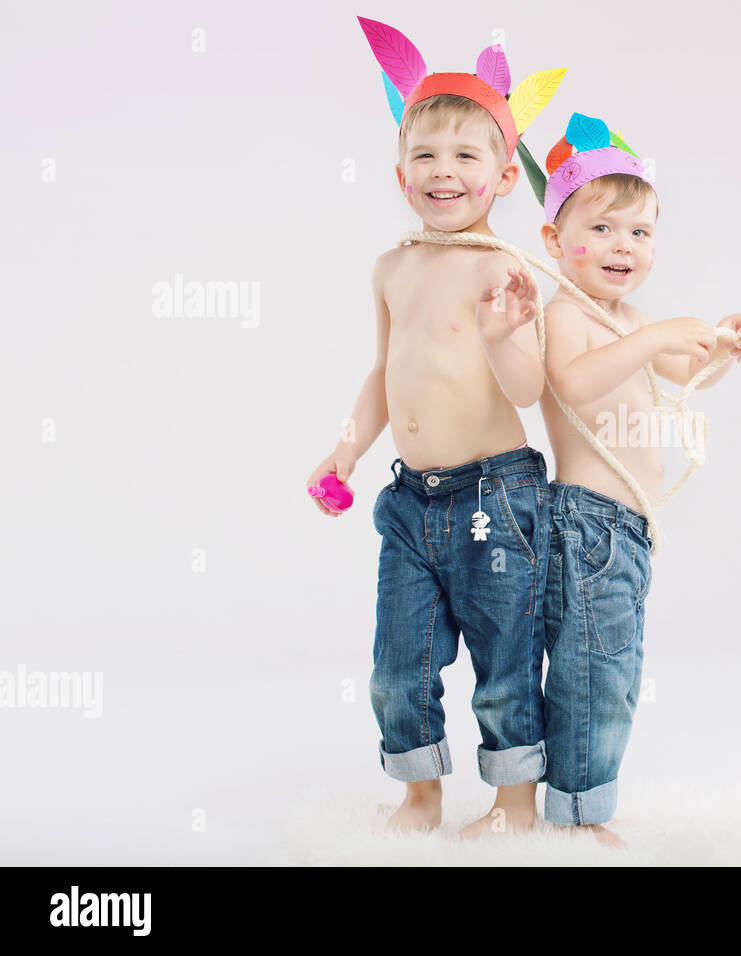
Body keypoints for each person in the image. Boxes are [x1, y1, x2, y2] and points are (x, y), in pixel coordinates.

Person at [308, 18, 565, 835]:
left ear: (500, 179)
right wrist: (347, 449)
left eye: (465, 157)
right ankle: (419, 793)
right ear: (399, 172)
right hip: (411, 502)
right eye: (426, 155)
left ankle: (515, 801)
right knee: (398, 662)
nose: (443, 172)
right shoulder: (392, 267)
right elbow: (384, 374)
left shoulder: (503, 269)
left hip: (497, 492)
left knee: (503, 657)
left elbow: (526, 390)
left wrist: (500, 333)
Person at [528, 113, 741, 845]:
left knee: (614, 670)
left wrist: (724, 346)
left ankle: (578, 802)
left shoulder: (629, 317)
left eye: (639, 232)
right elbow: (573, 381)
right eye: (600, 229)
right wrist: (653, 336)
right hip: (586, 521)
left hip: (625, 531)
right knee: (595, 674)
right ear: (553, 242)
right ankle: (578, 816)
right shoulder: (567, 313)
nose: (621, 247)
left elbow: (687, 373)